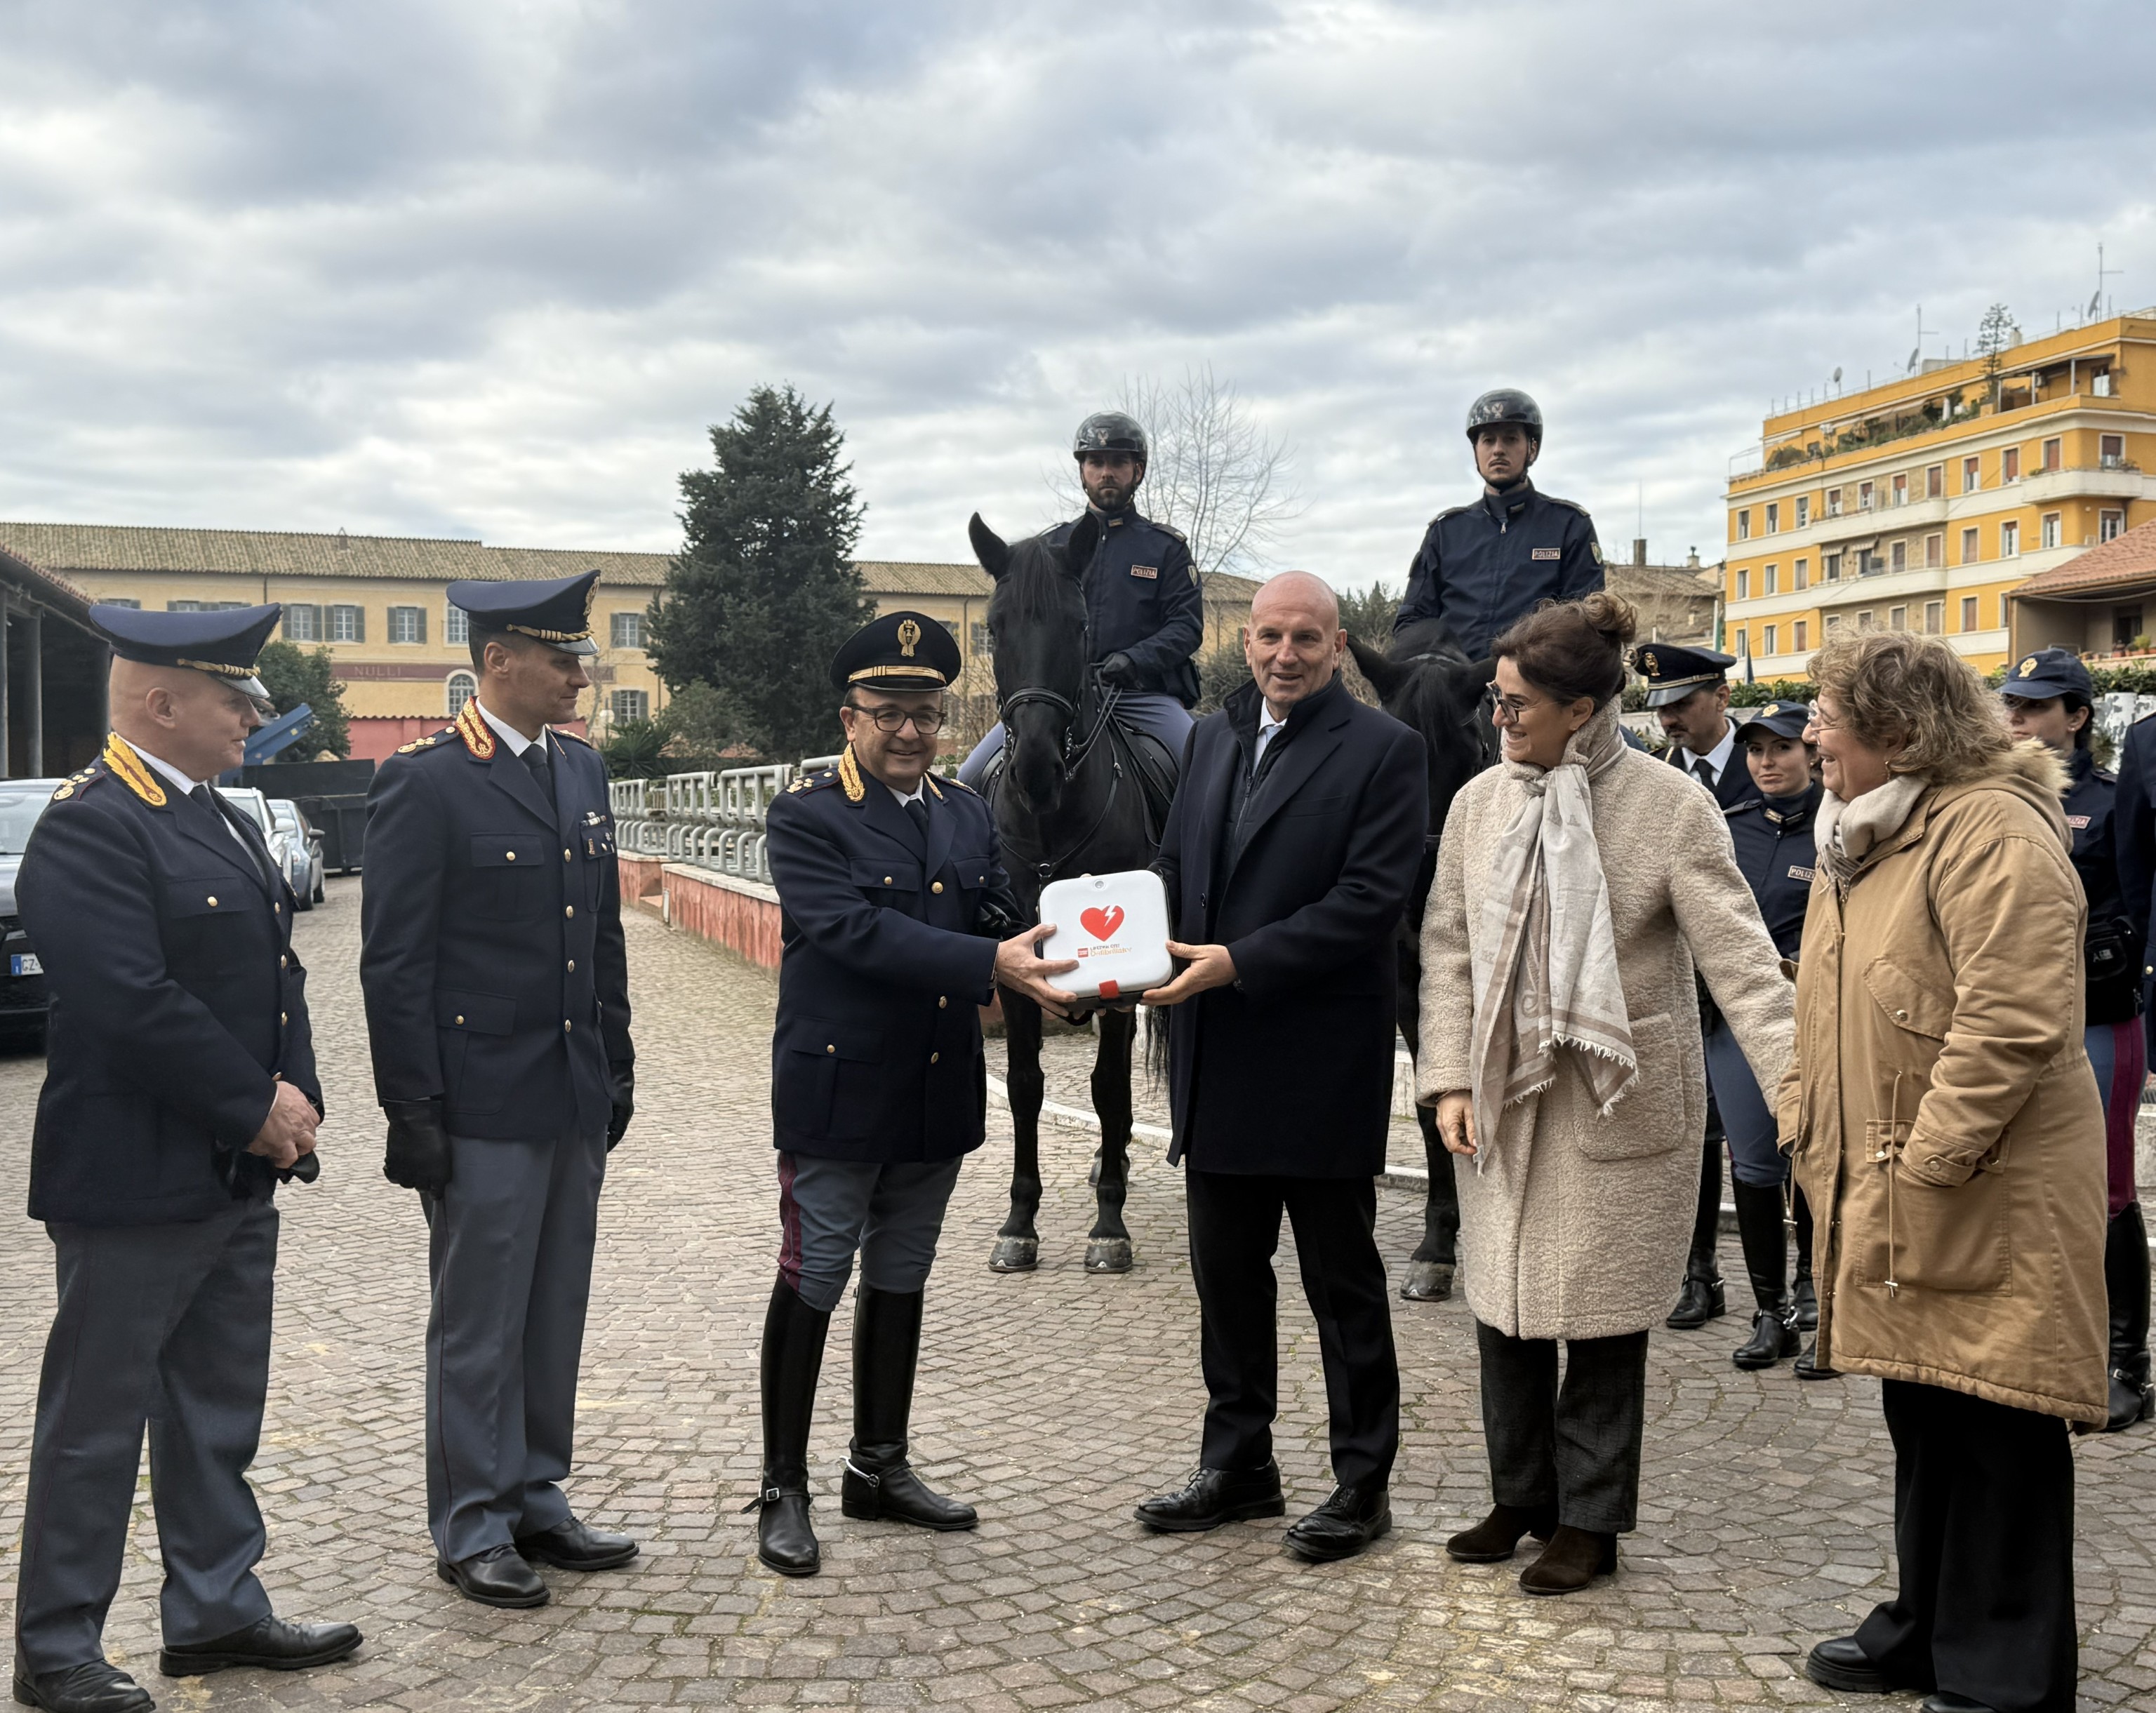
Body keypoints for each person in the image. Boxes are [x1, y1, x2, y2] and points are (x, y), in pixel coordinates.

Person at [11, 606, 360, 1713]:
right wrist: (250, 1102)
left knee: (217, 1405)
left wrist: (296, 1098)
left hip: (234, 1169)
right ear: (159, 702)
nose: (254, 716)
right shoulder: (92, 824)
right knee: (97, 1418)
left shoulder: (216, 818)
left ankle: (214, 1609)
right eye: (234, 699)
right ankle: (58, 1645)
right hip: (133, 1176)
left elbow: (276, 975)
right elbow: (126, 1002)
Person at [1420, 594, 1792, 1596]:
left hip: (1619, 1100)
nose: (1500, 722)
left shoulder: (1671, 807)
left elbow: (1745, 966)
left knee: (1597, 1317)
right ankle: (1521, 1496)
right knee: (1502, 1306)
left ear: (1583, 708)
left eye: (1518, 707)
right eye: (1497, 703)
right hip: (1507, 1097)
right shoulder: (1477, 804)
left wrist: (1798, 1086)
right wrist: (1449, 1076)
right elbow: (1448, 948)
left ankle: (1590, 1519)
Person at [1783, 633, 2106, 1713]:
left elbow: (2014, 1020)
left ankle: (2006, 1676)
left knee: (1999, 1426)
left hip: (1981, 1191)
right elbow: (1829, 1002)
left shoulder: (1990, 829)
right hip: (1908, 1187)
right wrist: (1803, 1114)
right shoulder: (1870, 831)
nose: (1812, 734)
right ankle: (1926, 1628)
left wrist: (1928, 1158)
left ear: (1905, 735)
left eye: (1831, 715)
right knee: (1928, 1418)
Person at [750, 612, 1077, 1577]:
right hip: (841, 1092)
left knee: (902, 1274)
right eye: (889, 712)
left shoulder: (964, 809)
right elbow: (850, 931)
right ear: (849, 716)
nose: (910, 731)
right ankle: (783, 1486)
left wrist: (1071, 955)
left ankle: (877, 1466)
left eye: (927, 713)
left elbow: (991, 908)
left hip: (934, 1089)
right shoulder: (806, 813)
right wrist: (993, 961)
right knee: (815, 1276)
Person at [359, 570, 638, 1610]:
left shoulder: (583, 772)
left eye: (581, 656)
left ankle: (535, 1491)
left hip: (567, 1089)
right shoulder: (428, 782)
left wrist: (617, 1061)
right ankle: (471, 1520)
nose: (580, 672)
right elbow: (395, 963)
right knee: (477, 1318)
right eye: (562, 655)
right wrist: (413, 1110)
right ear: (497, 662)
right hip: (480, 1099)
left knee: (553, 1300)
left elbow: (600, 937)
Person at [1137, 571, 1426, 1563]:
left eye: (1307, 637)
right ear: (1246, 642)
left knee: (1341, 1281)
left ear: (1338, 646)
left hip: (1316, 1060)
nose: (1285, 653)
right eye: (1269, 635)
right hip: (1217, 1057)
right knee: (1226, 1275)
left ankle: (1362, 1480)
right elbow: (1179, 868)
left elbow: (1369, 902)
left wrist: (1239, 962)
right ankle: (1239, 1465)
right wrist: (1122, 946)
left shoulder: (1388, 750)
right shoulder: (1212, 738)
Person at [2002, 648, 2149, 1431]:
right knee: (2038, 1191)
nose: (2016, 718)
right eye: (2012, 704)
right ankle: (2059, 1345)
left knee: (2109, 1189)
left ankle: (2127, 1359)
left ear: (2078, 716)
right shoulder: (1993, 802)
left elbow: (2136, 907)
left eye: (2034, 706)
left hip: (2098, 1016)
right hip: (2022, 1018)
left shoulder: (2115, 799)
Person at [957, 411, 1202, 786]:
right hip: (1056, 699)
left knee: (1203, 771)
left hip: (1141, 697)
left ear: (1137, 470)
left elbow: (1186, 627)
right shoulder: (1050, 547)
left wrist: (1134, 660)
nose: (1107, 472)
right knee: (969, 777)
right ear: (1083, 470)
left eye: (1119, 462)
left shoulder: (1164, 549)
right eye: (1096, 462)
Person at [1636, 641, 1755, 1333]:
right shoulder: (1655, 778)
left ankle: (1796, 1289)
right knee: (1694, 1132)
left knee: (1767, 1140)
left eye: (1683, 704)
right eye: (1661, 708)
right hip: (1682, 984)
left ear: (1722, 697)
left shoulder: (1769, 763)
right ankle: (1697, 1271)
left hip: (1753, 981)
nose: (1670, 720)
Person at [1712, 702, 1823, 1374]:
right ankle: (1770, 1312)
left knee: (1815, 1164)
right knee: (1754, 1169)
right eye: (1755, 750)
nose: (1766, 762)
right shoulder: (1731, 830)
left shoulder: (1840, 828)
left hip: (1816, 1024)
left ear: (1809, 754)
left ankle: (1825, 1304)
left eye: (1781, 749)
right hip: (1737, 1026)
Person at [1392, 388, 1604, 658]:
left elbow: (1585, 623)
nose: (1498, 450)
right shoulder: (1446, 532)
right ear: (1475, 451)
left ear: (1532, 449)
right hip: (1455, 688)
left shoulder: (1569, 526)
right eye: (1488, 440)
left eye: (1511, 439)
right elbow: (1413, 621)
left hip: (1535, 685)